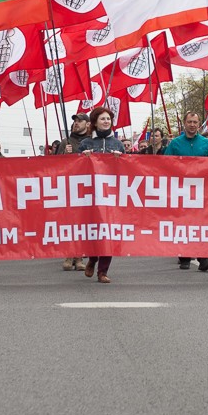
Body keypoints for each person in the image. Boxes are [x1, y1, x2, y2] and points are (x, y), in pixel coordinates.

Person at [165, 112, 208, 271]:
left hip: (202, 190)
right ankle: (184, 257)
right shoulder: (175, 144)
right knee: (183, 223)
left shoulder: (207, 144)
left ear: (199, 124)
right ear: (184, 123)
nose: (192, 125)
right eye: (189, 122)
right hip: (181, 190)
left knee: (201, 224)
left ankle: (204, 259)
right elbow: (165, 164)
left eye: (195, 122)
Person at [78, 106, 124, 283]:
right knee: (94, 230)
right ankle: (92, 258)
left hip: (112, 196)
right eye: (103, 119)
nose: (106, 122)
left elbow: (128, 169)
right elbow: (74, 168)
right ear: (95, 122)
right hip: (91, 195)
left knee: (109, 232)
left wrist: (121, 159)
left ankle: (103, 271)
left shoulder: (118, 144)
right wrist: (83, 157)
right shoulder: (86, 143)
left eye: (108, 119)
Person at [56, 113, 91, 270]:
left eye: (80, 121)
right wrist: (64, 154)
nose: (76, 123)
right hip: (70, 187)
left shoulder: (92, 142)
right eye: (75, 121)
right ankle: (69, 255)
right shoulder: (66, 142)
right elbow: (54, 164)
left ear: (88, 124)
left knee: (84, 222)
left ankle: (79, 258)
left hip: (87, 187)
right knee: (71, 222)